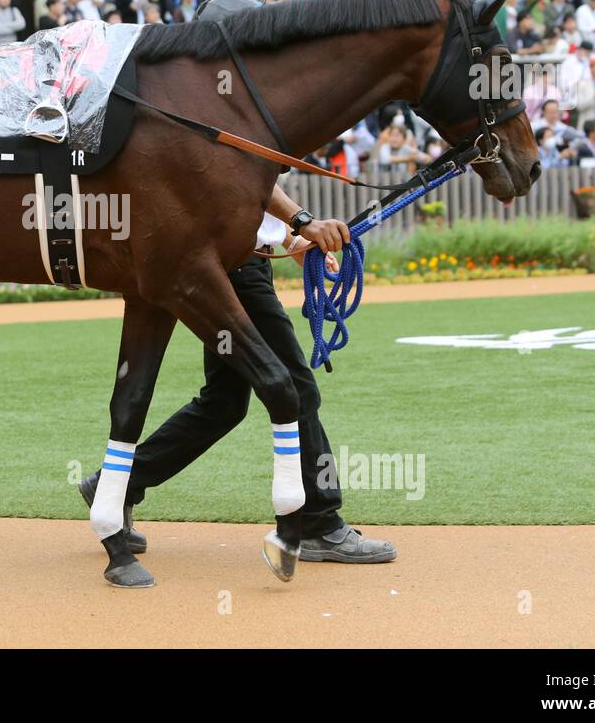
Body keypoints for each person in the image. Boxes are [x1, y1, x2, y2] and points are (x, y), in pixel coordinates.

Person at [78, 183, 396, 566]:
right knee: (295, 388)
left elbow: (255, 183)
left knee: (224, 402)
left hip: (236, 263)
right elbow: (245, 178)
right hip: (235, 268)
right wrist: (303, 224)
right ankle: (318, 523)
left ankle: (118, 484)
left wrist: (291, 237)